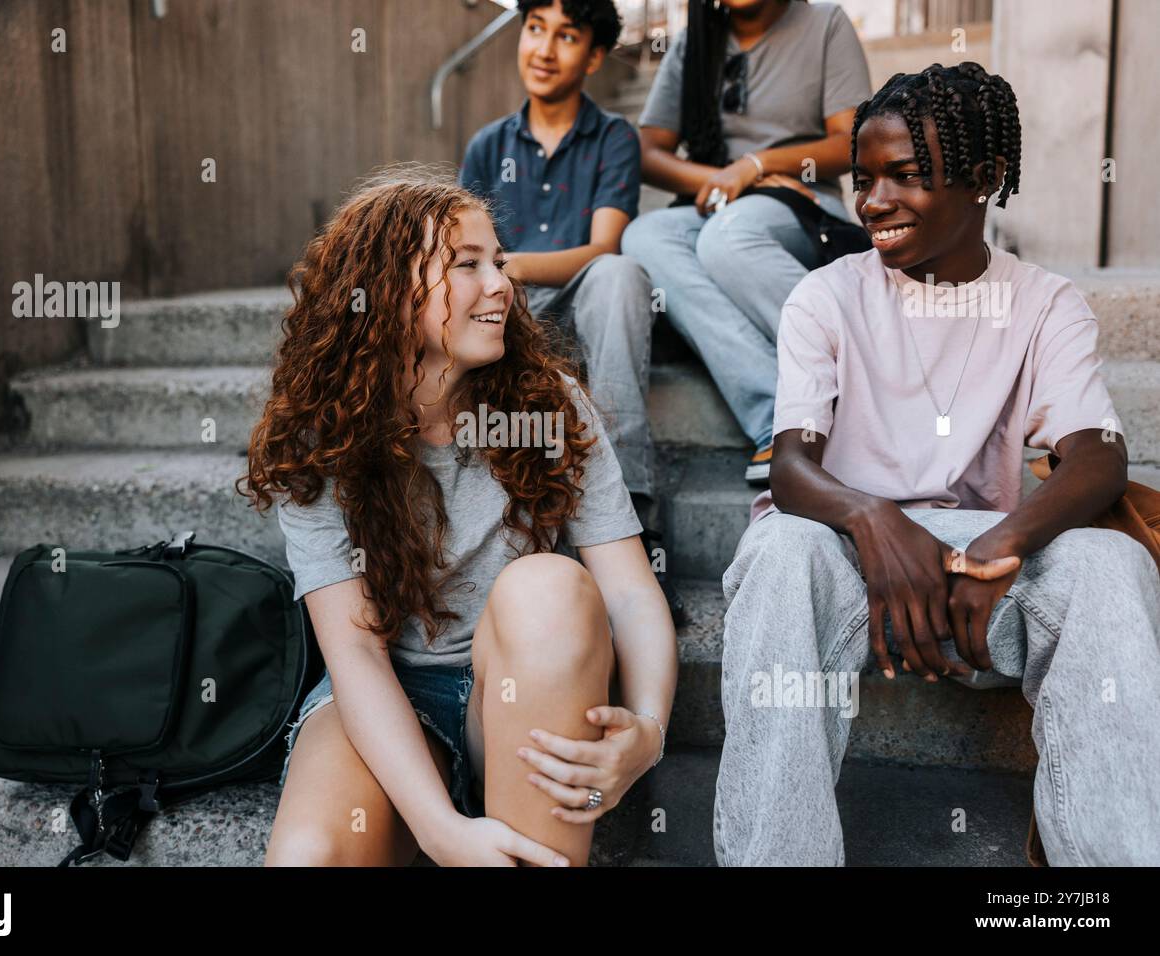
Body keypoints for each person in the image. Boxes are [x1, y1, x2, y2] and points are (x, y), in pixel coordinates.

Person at [714, 63, 1160, 866]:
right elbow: (790, 468)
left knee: (1109, 566)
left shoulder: (1045, 302)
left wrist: (996, 547)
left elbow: (1097, 457)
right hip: (853, 560)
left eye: (906, 177)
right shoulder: (826, 296)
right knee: (781, 552)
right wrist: (873, 516)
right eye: (865, 179)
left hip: (980, 580)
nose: (874, 203)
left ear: (985, 179)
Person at [243, 167, 678, 867]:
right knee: (307, 859)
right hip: (390, 693)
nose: (502, 284)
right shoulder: (320, 438)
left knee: (548, 585)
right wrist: (440, 829)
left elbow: (628, 589)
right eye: (466, 264)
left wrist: (650, 729)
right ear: (385, 291)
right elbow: (353, 652)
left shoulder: (551, 407)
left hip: (525, 682)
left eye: (498, 262)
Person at [459, 0, 686, 624]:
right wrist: (498, 277)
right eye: (535, 29)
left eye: (566, 36)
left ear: (591, 55)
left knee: (621, 271)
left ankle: (634, 519)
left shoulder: (614, 137)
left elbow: (605, 244)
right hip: (508, 305)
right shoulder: (488, 145)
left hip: (584, 297)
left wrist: (515, 265)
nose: (544, 48)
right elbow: (462, 249)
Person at [621, 0, 871, 485]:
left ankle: (861, 372)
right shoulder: (697, 41)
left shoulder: (825, 24)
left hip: (802, 203)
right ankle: (776, 421)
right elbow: (649, 152)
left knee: (728, 237)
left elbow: (853, 141)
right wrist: (729, 179)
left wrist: (759, 167)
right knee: (645, 236)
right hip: (720, 201)